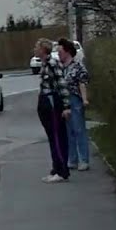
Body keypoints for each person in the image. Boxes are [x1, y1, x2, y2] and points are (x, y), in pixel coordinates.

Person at [34, 38, 73, 183]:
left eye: (37, 47)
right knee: (51, 136)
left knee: (57, 137)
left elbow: (61, 84)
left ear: (43, 49)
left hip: (52, 103)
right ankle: (56, 167)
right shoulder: (44, 64)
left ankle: (62, 170)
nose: (35, 50)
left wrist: (66, 106)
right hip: (45, 101)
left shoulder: (52, 63)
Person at [59, 38, 91, 171]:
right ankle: (72, 159)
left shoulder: (77, 67)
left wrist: (84, 99)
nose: (58, 54)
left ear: (67, 52)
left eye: (60, 51)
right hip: (64, 101)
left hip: (75, 100)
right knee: (69, 131)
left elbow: (82, 83)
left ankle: (84, 159)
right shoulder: (61, 69)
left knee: (79, 130)